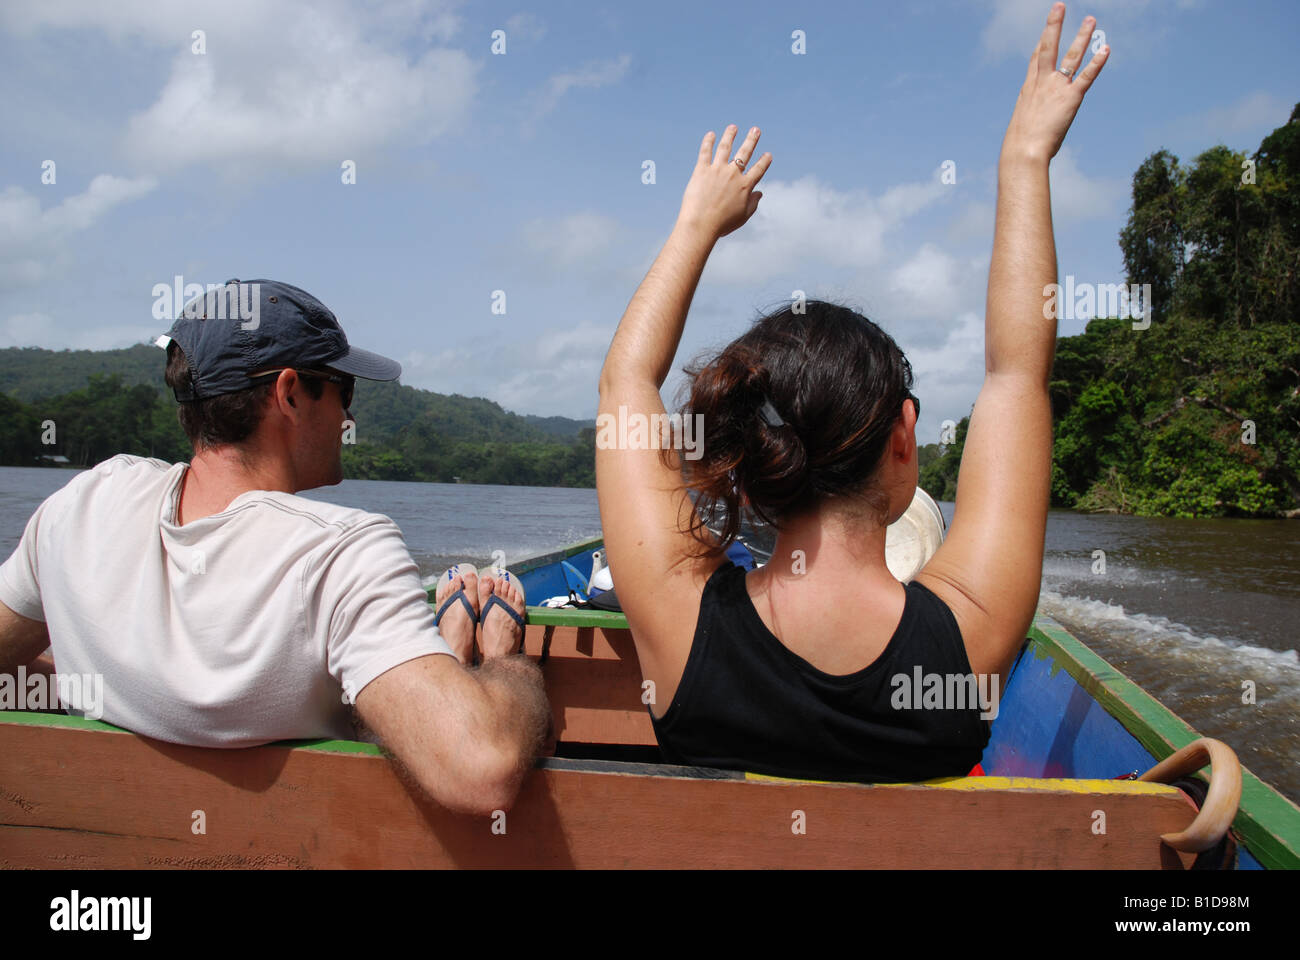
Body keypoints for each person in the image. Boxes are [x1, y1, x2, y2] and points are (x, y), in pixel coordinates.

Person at [596, 4, 1108, 782]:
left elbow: (625, 384)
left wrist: (695, 225)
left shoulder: (677, 621)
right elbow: (1016, 375)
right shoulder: (966, 643)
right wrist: (1025, 161)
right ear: (902, 440)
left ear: (750, 456)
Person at [0, 278, 549, 814]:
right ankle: (462, 663)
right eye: (344, 391)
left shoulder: (85, 501)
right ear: (289, 394)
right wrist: (511, 664)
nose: (349, 418)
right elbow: (481, 769)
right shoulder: (342, 551)